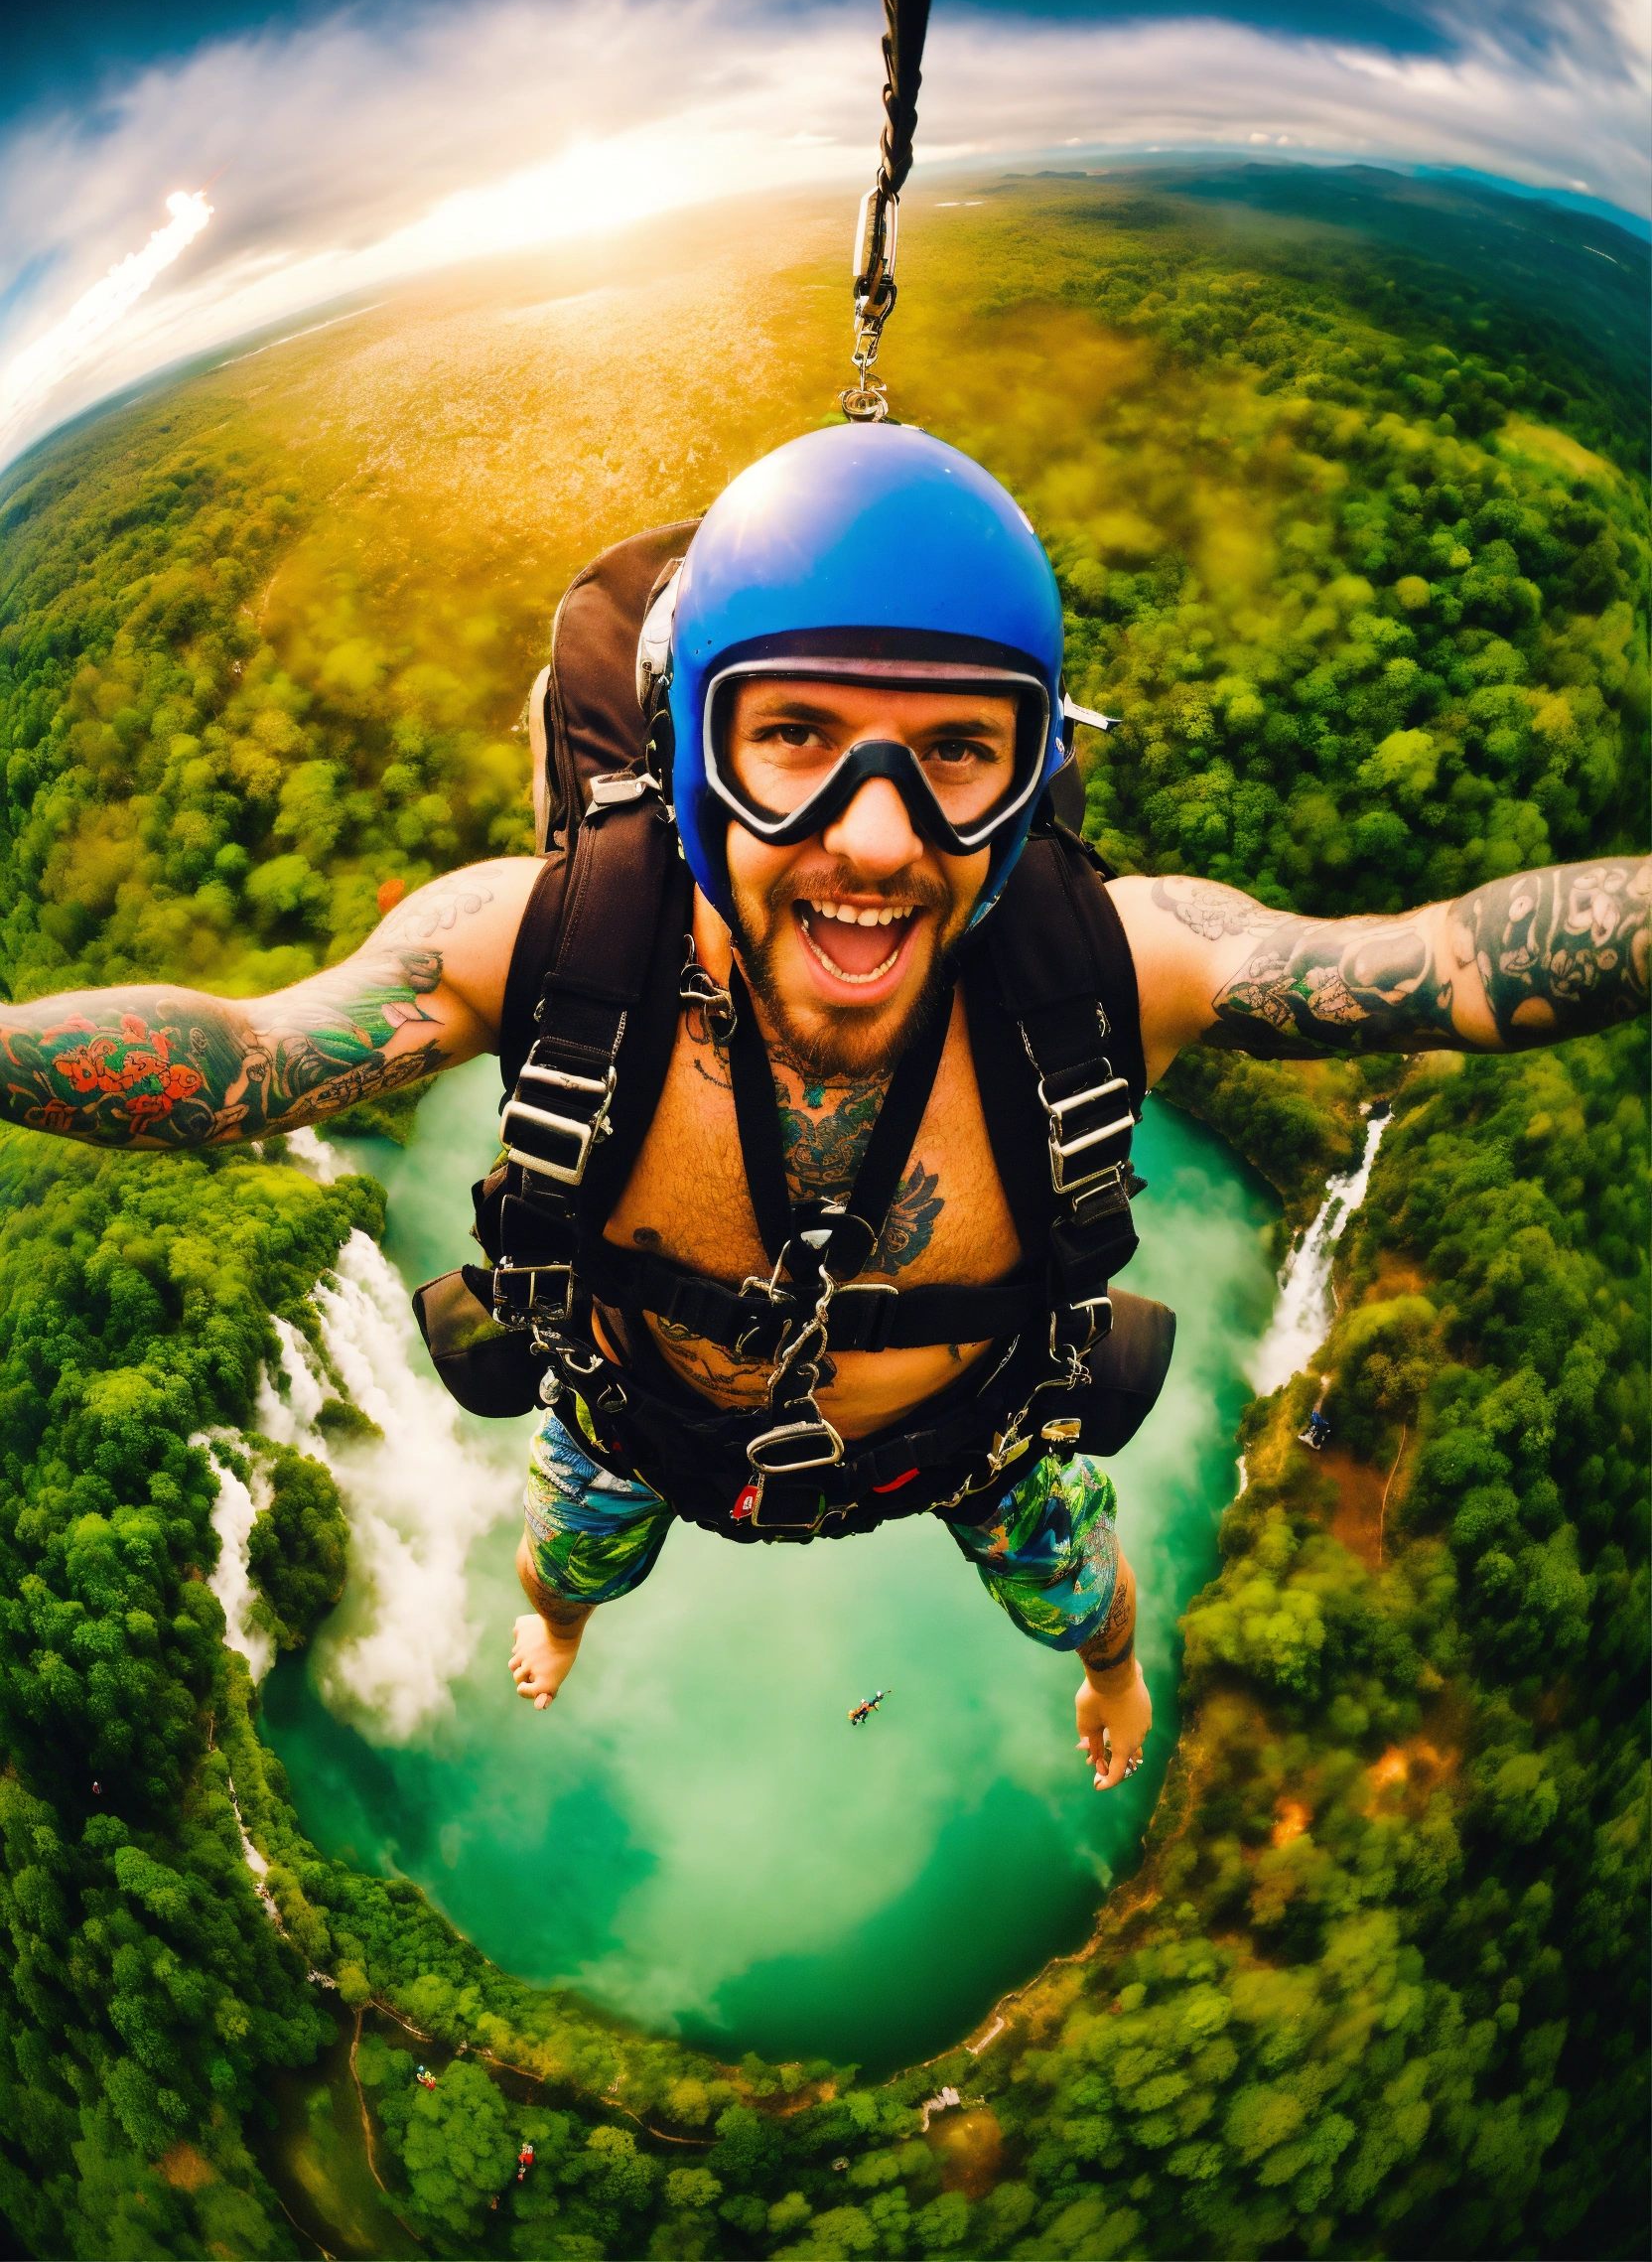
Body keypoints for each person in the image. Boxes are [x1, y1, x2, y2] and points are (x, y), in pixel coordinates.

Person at [0, 427, 1644, 1798]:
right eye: (795, 738)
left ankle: (1112, 1679)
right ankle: (565, 1624)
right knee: (563, 1558)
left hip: (975, 1437)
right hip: (637, 1425)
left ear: (1029, 778)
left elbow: (1441, 964)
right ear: (692, 752)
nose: (876, 836)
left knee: (1089, 1595)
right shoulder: (558, 944)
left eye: (955, 754)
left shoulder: (1103, 969)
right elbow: (248, 1060)